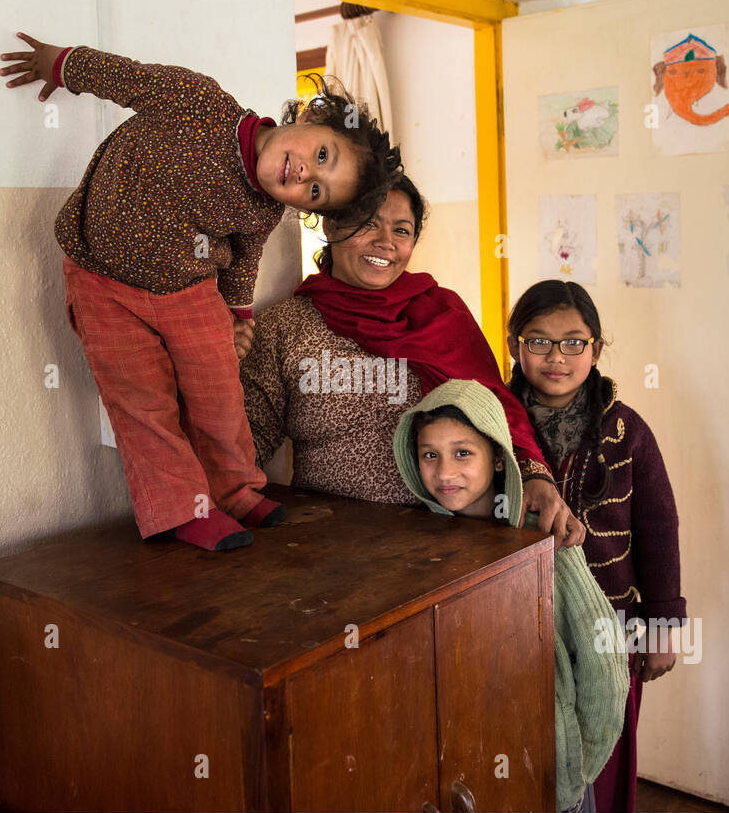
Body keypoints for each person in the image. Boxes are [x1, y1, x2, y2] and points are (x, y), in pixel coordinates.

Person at [0, 33, 401, 551]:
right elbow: (124, 78)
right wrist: (57, 65)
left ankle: (236, 488)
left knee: (219, 395)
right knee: (143, 403)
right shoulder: (200, 103)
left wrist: (238, 316)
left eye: (316, 190)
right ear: (307, 118)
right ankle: (180, 510)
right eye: (321, 153)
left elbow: (245, 258)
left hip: (191, 292)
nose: (305, 173)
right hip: (102, 284)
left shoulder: (263, 209)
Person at [239, 179, 582, 544]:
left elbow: (494, 411)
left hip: (444, 543)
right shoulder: (285, 327)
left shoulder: (442, 316)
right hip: (323, 544)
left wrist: (536, 475)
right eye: (369, 222)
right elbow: (247, 440)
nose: (385, 241)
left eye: (401, 230)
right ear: (332, 225)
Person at [391, 379, 629, 811]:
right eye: (430, 455)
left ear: (499, 457)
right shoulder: (420, 541)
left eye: (463, 453)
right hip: (479, 775)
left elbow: (604, 657)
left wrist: (572, 772)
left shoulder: (542, 535)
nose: (445, 473)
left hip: (553, 777)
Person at [505, 280, 686, 812]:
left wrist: (663, 627)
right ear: (515, 344)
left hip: (611, 629)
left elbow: (659, 531)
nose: (555, 357)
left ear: (597, 349)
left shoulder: (627, 432)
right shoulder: (496, 425)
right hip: (517, 625)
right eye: (537, 341)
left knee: (603, 756)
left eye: (573, 342)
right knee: (526, 753)